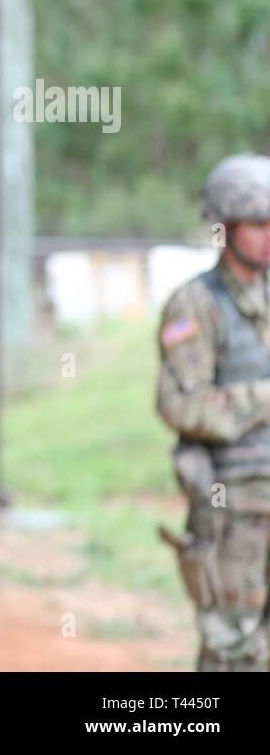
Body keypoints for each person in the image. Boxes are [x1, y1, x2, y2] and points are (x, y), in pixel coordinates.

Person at [157, 153, 270, 671]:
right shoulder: (196, 306)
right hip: (234, 509)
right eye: (257, 224)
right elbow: (180, 403)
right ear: (225, 228)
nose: (268, 236)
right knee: (233, 650)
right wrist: (261, 399)